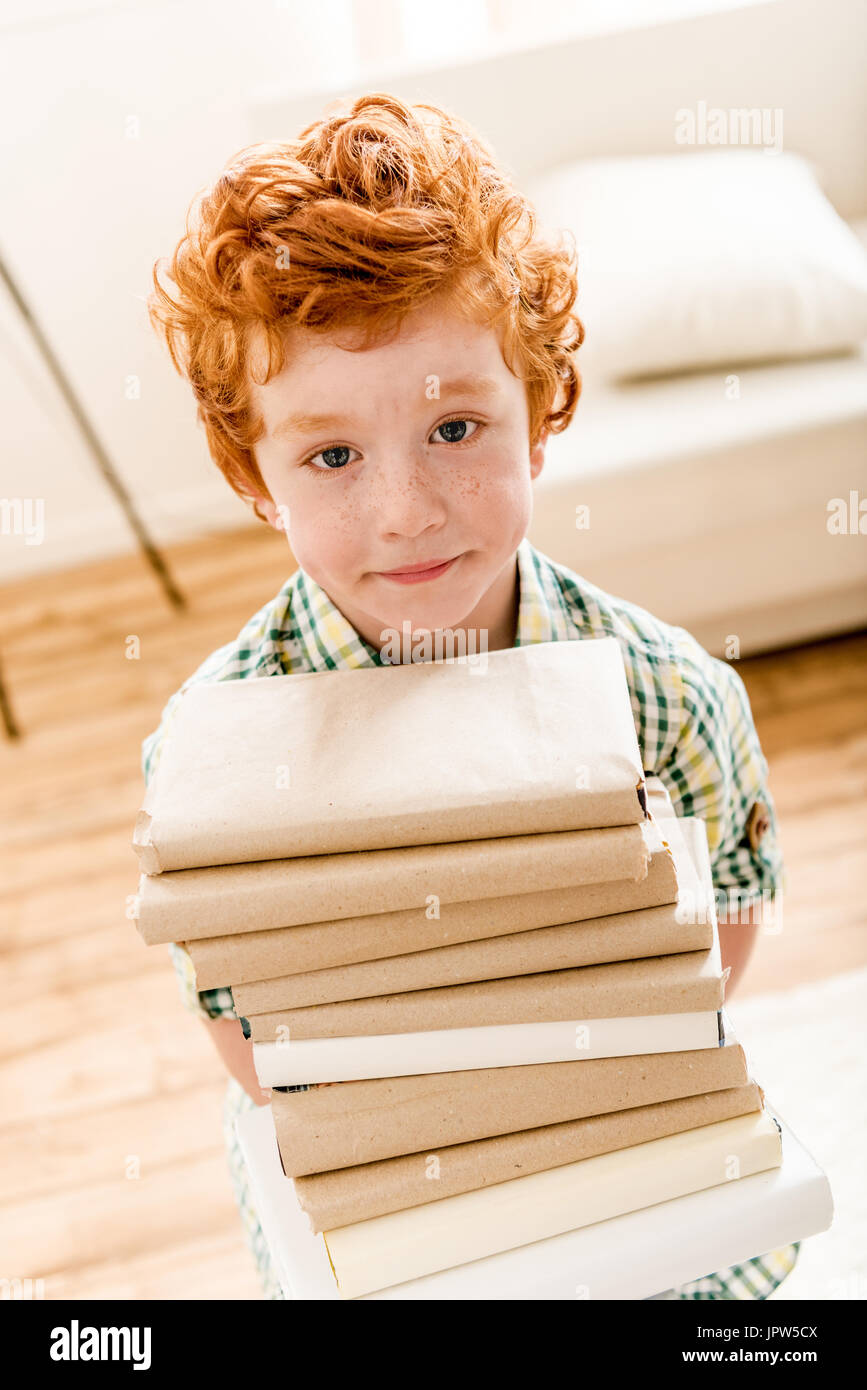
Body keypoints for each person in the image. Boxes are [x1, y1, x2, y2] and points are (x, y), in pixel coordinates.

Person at [141, 92, 798, 1300]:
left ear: (541, 415)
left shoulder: (673, 697)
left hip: (615, 1119)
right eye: (332, 455)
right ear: (255, 474)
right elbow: (241, 1022)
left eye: (455, 427)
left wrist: (569, 1068)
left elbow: (731, 918)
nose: (404, 510)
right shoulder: (219, 753)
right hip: (371, 1172)